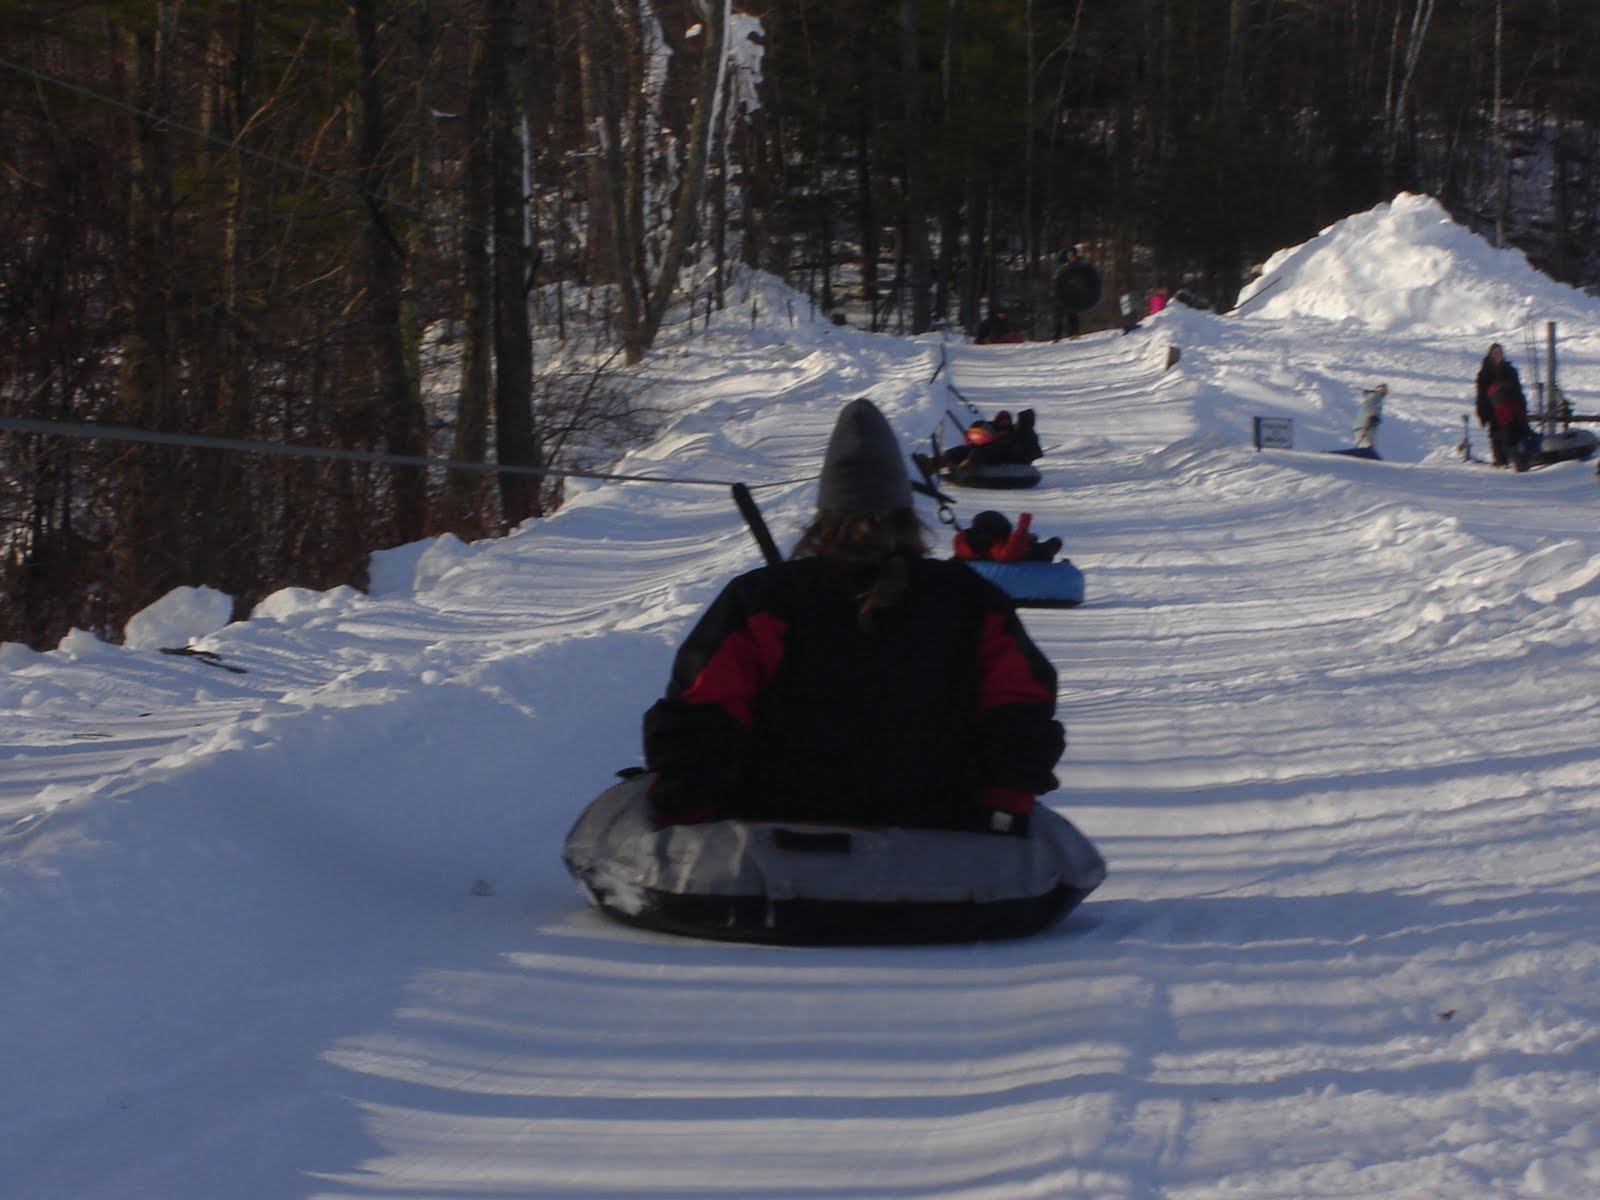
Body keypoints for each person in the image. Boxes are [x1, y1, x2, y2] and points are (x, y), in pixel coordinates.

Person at [643, 398, 1065, 836]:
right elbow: (1019, 708)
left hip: (776, 834)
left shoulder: (761, 600)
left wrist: (686, 817)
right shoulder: (972, 600)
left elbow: (701, 713)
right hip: (939, 833)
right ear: (907, 515)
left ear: (823, 517)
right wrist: (1006, 807)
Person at [1475, 343, 1524, 467]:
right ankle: (1500, 460)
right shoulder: (1484, 373)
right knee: (1497, 436)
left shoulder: (1510, 371)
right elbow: (1481, 395)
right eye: (1495, 353)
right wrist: (1482, 413)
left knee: (1511, 434)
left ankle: (1513, 459)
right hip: (1492, 411)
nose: (1498, 356)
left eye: (1499, 353)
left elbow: (1518, 391)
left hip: (1510, 409)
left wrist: (1522, 407)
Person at [952, 510, 1063, 564]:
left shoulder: (963, 542)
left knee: (1025, 547)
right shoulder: (994, 547)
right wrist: (1022, 530)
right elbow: (1009, 554)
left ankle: (1030, 540)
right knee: (1035, 553)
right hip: (1024, 553)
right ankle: (1046, 547)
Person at [1051, 246, 1101, 341]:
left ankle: (1074, 334)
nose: (1071, 256)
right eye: (1069, 254)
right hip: (1061, 293)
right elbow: (1056, 277)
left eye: (1072, 254)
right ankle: (1057, 336)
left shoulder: (1079, 264)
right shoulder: (1059, 264)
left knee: (1072, 313)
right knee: (1058, 314)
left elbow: (1086, 276)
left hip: (1073, 293)